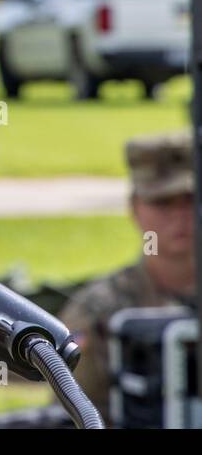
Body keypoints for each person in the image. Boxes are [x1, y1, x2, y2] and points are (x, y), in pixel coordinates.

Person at [59, 132, 196, 423]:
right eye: (162, 203)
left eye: (190, 200)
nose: (180, 216)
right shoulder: (98, 311)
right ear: (135, 207)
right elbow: (73, 417)